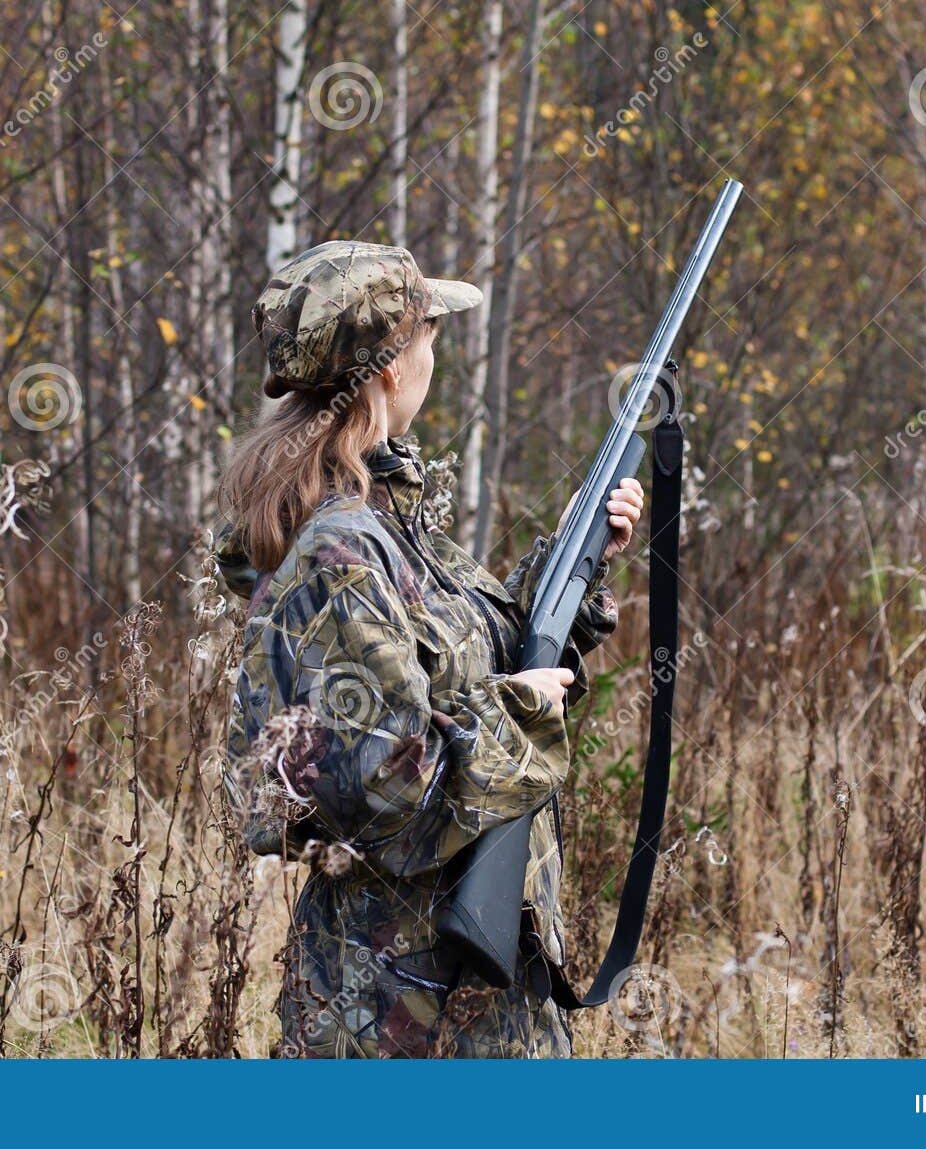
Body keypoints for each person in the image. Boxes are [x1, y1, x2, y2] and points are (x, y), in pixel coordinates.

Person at [216, 241, 642, 1057]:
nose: (434, 357)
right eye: (428, 337)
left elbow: (468, 656)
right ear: (386, 371)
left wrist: (577, 569)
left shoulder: (383, 518)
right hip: (401, 1014)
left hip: (467, 997)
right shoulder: (340, 551)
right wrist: (520, 714)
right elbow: (387, 784)